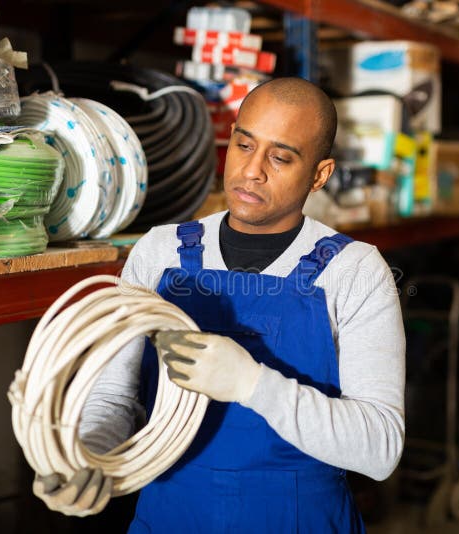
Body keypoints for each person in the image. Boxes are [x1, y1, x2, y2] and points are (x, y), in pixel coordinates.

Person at [34, 77, 406, 532]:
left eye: (281, 157)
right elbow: (114, 397)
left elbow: (381, 447)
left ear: (320, 175)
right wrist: (83, 457)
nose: (252, 170)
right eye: (244, 145)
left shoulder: (354, 270)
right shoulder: (160, 252)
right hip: (172, 515)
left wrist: (252, 384)